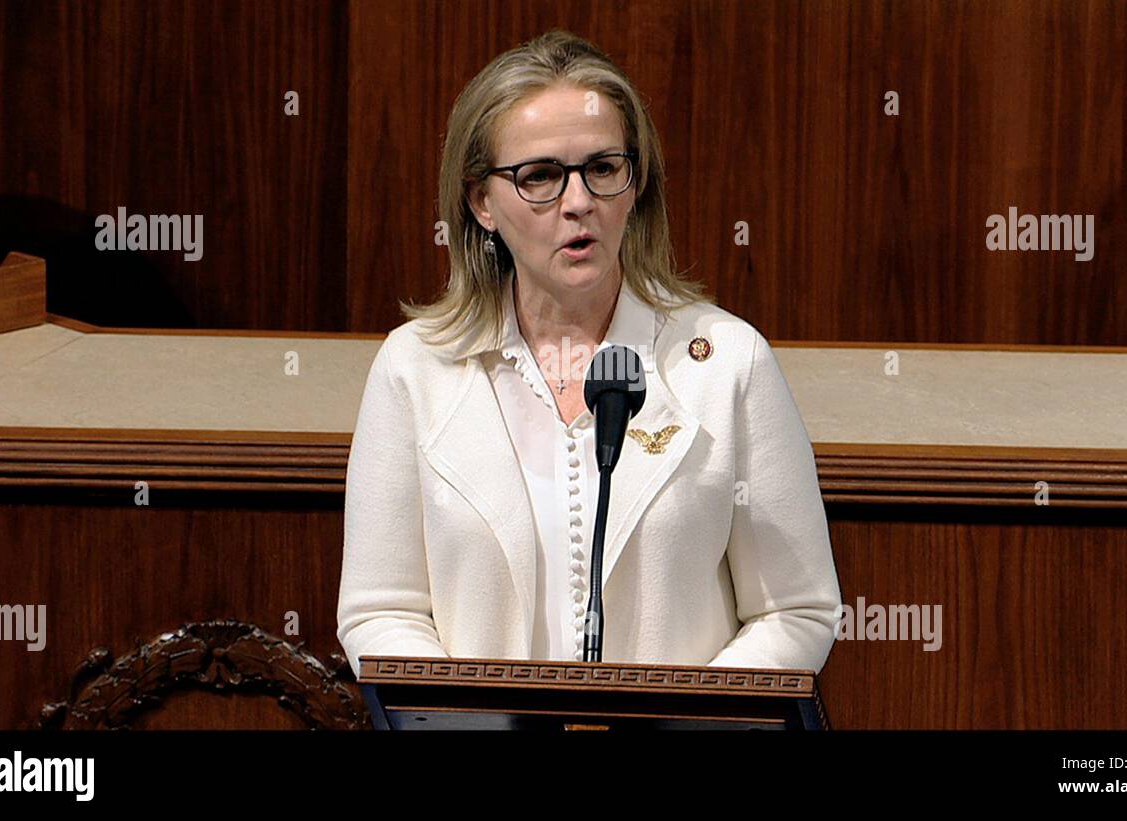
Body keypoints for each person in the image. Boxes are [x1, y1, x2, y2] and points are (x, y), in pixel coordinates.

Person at [337, 29, 840, 672]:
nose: (578, 203)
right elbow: (382, 611)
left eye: (602, 169)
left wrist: (679, 722)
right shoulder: (416, 368)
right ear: (480, 201)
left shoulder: (726, 363)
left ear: (635, 185)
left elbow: (796, 610)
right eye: (540, 176)